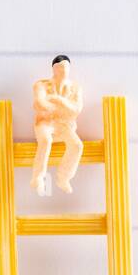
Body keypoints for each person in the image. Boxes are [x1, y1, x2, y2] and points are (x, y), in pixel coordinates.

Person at [31, 54, 83, 194]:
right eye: (59, 67)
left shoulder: (75, 87)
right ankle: (38, 177)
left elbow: (76, 110)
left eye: (66, 67)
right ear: (53, 69)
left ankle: (63, 177)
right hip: (45, 123)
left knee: (77, 145)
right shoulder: (41, 85)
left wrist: (57, 100)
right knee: (45, 141)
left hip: (64, 125)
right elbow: (39, 104)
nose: (63, 70)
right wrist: (63, 109)